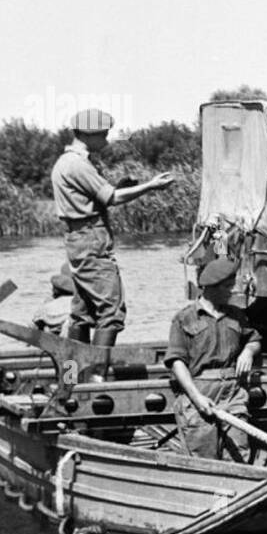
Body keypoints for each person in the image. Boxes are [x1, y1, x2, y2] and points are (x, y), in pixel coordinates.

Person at [50, 109, 175, 353]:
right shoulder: (77, 164)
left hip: (79, 241)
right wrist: (150, 186)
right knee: (111, 311)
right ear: (88, 134)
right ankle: (96, 381)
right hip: (91, 241)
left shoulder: (65, 163)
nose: (107, 140)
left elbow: (97, 197)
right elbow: (112, 197)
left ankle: (72, 377)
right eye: (104, 135)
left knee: (82, 313)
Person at [165, 258, 261, 460]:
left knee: (239, 458)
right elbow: (176, 361)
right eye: (227, 287)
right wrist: (197, 397)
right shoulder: (185, 318)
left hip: (233, 394)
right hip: (201, 393)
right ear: (211, 288)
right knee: (203, 459)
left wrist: (248, 351)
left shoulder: (236, 315)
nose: (232, 291)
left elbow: (254, 340)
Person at [32, 264, 76, 336]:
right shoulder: (81, 301)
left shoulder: (48, 304)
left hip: (55, 324)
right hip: (72, 324)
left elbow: (35, 325)